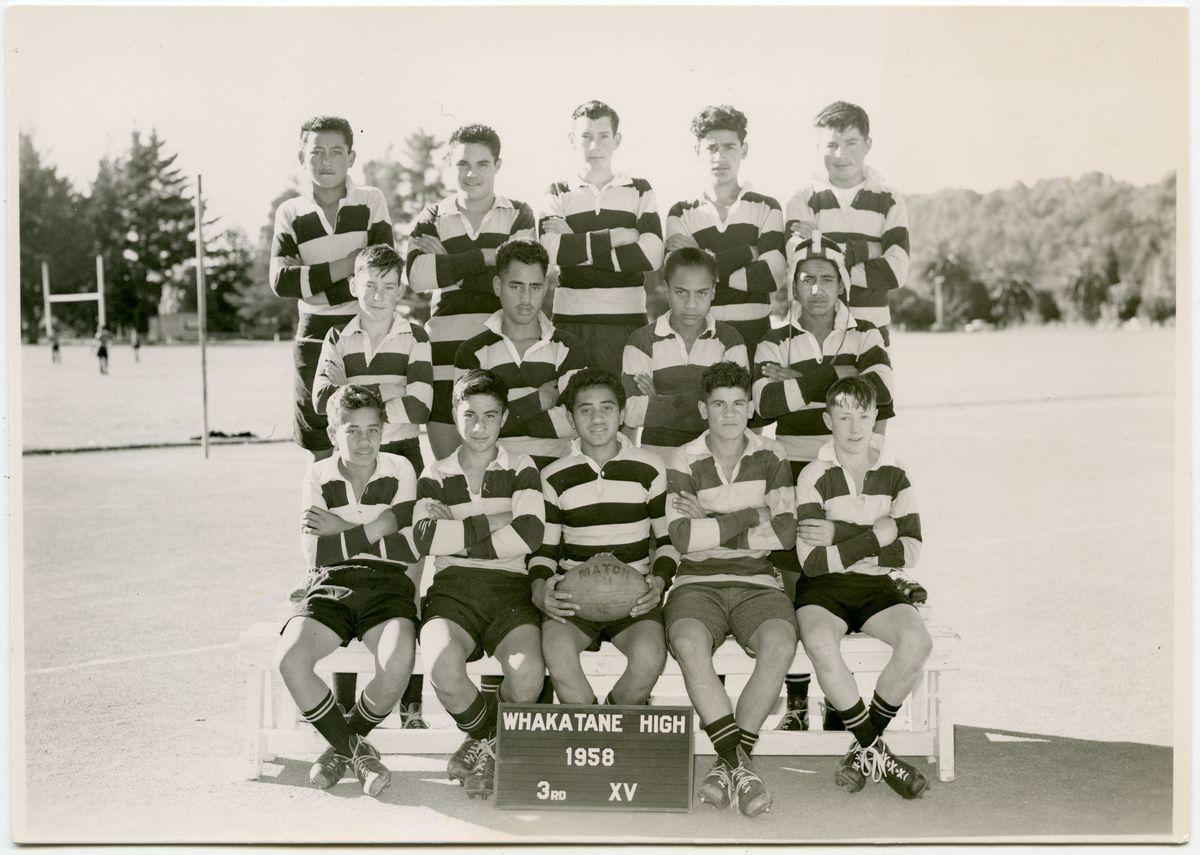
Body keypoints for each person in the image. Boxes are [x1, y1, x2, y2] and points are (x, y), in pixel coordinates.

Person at [751, 232, 898, 730]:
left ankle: (840, 704)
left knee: (843, 574)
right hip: (792, 470)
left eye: (826, 279)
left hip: (849, 471)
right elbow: (763, 405)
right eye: (806, 279)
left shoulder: (866, 332)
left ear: (842, 285)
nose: (815, 289)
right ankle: (795, 702)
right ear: (793, 285)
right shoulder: (774, 336)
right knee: (797, 578)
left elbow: (880, 392)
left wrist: (799, 379)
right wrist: (837, 375)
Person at [273, 384, 422, 798]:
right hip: (331, 582)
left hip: (387, 584)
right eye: (352, 431)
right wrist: (377, 527)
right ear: (333, 432)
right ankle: (357, 752)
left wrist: (340, 528)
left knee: (397, 663)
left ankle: (342, 745)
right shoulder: (317, 474)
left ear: (384, 431)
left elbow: (407, 545)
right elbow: (315, 553)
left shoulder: (400, 469)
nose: (364, 441)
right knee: (290, 660)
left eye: (373, 430)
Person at [664, 362, 798, 818]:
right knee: (687, 641)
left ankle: (727, 763)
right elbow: (683, 539)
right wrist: (748, 515)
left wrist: (711, 522)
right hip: (696, 581)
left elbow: (784, 534)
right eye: (719, 405)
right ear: (704, 409)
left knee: (780, 642)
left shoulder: (772, 454)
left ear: (751, 407)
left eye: (738, 404)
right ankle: (741, 765)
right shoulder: (683, 458)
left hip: (757, 580)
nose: (729, 414)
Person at [311, 242, 434, 726]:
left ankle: (409, 706)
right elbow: (324, 400)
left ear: (401, 288)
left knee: (406, 582)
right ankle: (344, 700)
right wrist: (388, 398)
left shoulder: (416, 334)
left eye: (389, 286)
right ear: (353, 285)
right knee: (347, 570)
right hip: (351, 462)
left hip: (403, 457)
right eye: (370, 285)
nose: (379, 295)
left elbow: (422, 404)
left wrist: (357, 405)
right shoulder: (337, 336)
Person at [793, 375, 930, 800]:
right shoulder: (813, 475)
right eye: (844, 416)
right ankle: (878, 752)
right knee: (818, 641)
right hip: (823, 588)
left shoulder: (896, 473)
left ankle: (861, 750)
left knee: (917, 643)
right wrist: (874, 538)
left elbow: (910, 550)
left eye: (864, 416)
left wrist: (841, 537)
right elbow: (812, 561)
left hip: (875, 587)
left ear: (875, 419)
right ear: (827, 419)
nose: (855, 428)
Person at [413, 369, 547, 800]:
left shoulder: (522, 466)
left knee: (527, 678)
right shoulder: (435, 473)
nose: (479, 427)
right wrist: (498, 520)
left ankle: (477, 741)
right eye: (470, 415)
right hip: (452, 592)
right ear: (455, 415)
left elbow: (529, 534)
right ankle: (492, 742)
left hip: (510, 590)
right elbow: (428, 539)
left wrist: (461, 530)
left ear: (504, 418)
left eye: (490, 416)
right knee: (441, 669)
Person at [530, 368, 677, 711]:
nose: (597, 418)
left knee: (650, 659)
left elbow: (667, 542)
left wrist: (659, 581)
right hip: (574, 594)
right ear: (570, 418)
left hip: (634, 596)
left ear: (623, 414)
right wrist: (540, 591)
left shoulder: (651, 467)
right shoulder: (553, 476)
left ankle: (610, 721)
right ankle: (591, 730)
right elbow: (545, 551)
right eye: (585, 410)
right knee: (557, 654)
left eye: (607, 408)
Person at [406, 124, 536, 461]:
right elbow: (417, 278)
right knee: (449, 468)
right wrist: (488, 258)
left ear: (498, 165)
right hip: (443, 351)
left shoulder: (518, 213)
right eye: (463, 163)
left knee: (496, 468)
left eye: (482, 164)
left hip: (498, 347)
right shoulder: (433, 215)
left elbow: (519, 280)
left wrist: (448, 266)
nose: (471, 173)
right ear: (450, 163)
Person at [269, 115, 394, 460]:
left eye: (336, 152)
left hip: (364, 329)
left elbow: (382, 268)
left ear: (351, 158)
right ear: (301, 157)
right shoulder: (290, 211)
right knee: (321, 443)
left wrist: (314, 286)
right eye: (317, 153)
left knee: (370, 437)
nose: (326, 162)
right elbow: (282, 281)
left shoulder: (371, 201)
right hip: (311, 336)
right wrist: (349, 263)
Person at [538, 100, 664, 376]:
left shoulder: (639, 189)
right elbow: (551, 253)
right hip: (570, 321)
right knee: (571, 406)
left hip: (626, 320)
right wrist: (616, 236)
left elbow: (651, 256)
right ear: (572, 139)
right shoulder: (558, 191)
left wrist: (577, 242)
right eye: (585, 136)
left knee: (621, 407)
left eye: (603, 136)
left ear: (616, 139)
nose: (594, 146)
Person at [665, 105, 785, 367]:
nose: (720, 156)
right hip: (701, 338)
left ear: (744, 150)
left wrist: (704, 260)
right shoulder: (681, 212)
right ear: (698, 150)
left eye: (729, 147)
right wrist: (746, 252)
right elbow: (685, 279)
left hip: (757, 338)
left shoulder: (767, 207)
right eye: (712, 148)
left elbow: (772, 275)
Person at [454, 239, 587, 471]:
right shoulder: (472, 353)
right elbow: (470, 424)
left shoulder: (569, 347)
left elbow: (575, 423)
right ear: (498, 286)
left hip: (556, 475)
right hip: (495, 477)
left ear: (545, 287)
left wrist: (498, 418)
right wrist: (538, 401)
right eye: (516, 286)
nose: (526, 298)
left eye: (535, 287)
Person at [784, 101, 910, 344]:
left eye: (851, 143)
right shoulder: (802, 198)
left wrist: (824, 247)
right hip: (812, 333)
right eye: (832, 145)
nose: (841, 155)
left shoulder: (890, 199)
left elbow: (896, 272)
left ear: (868, 145)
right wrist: (867, 250)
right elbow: (800, 264)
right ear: (819, 146)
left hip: (872, 330)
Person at [622, 247, 748, 465]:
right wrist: (709, 395)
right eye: (681, 292)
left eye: (701, 292)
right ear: (667, 289)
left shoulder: (730, 340)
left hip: (717, 462)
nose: (691, 304)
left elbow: (735, 411)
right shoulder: (641, 341)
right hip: (659, 461)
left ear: (714, 291)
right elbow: (633, 414)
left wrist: (659, 401)